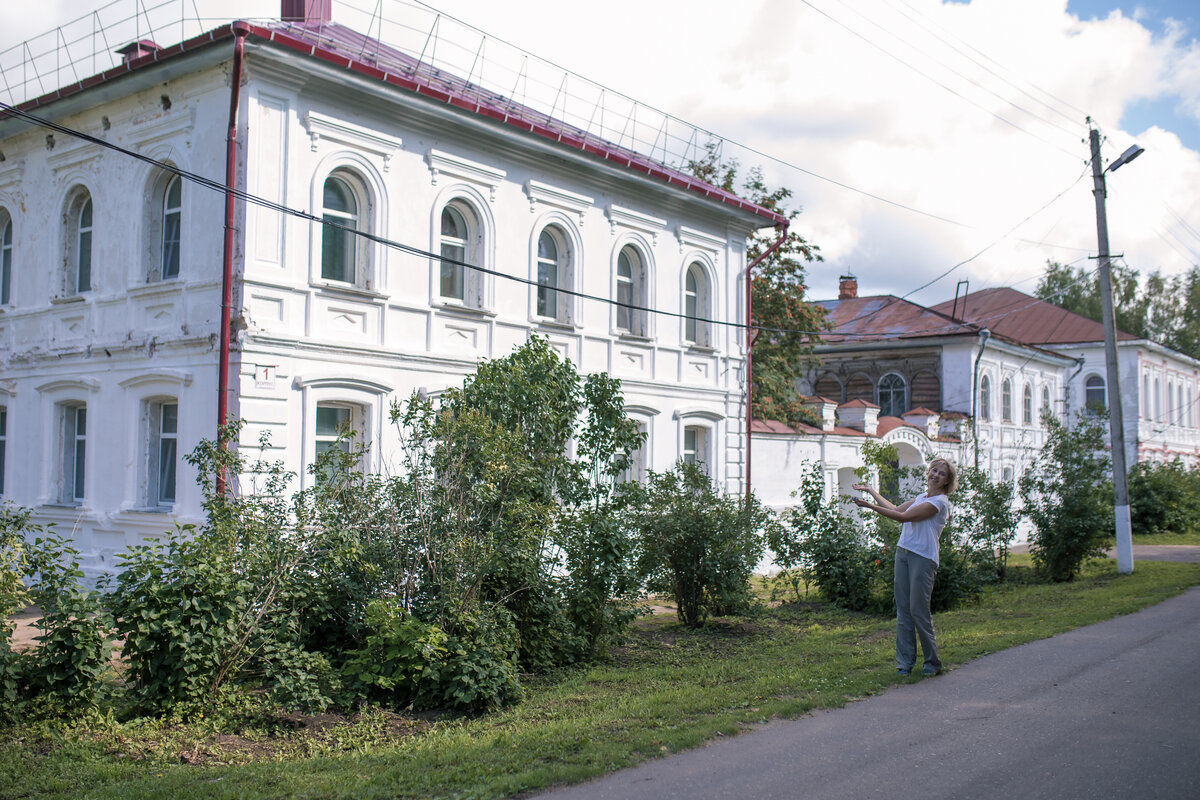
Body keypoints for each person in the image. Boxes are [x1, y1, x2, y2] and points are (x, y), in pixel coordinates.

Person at [852, 458, 957, 677]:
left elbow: (902, 518)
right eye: (934, 470)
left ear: (947, 481)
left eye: (942, 474)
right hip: (903, 553)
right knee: (903, 611)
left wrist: (868, 506)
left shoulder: (939, 502)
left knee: (918, 610)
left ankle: (932, 662)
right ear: (928, 473)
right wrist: (871, 491)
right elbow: (894, 508)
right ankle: (904, 663)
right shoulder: (921, 498)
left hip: (923, 558)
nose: (936, 475)